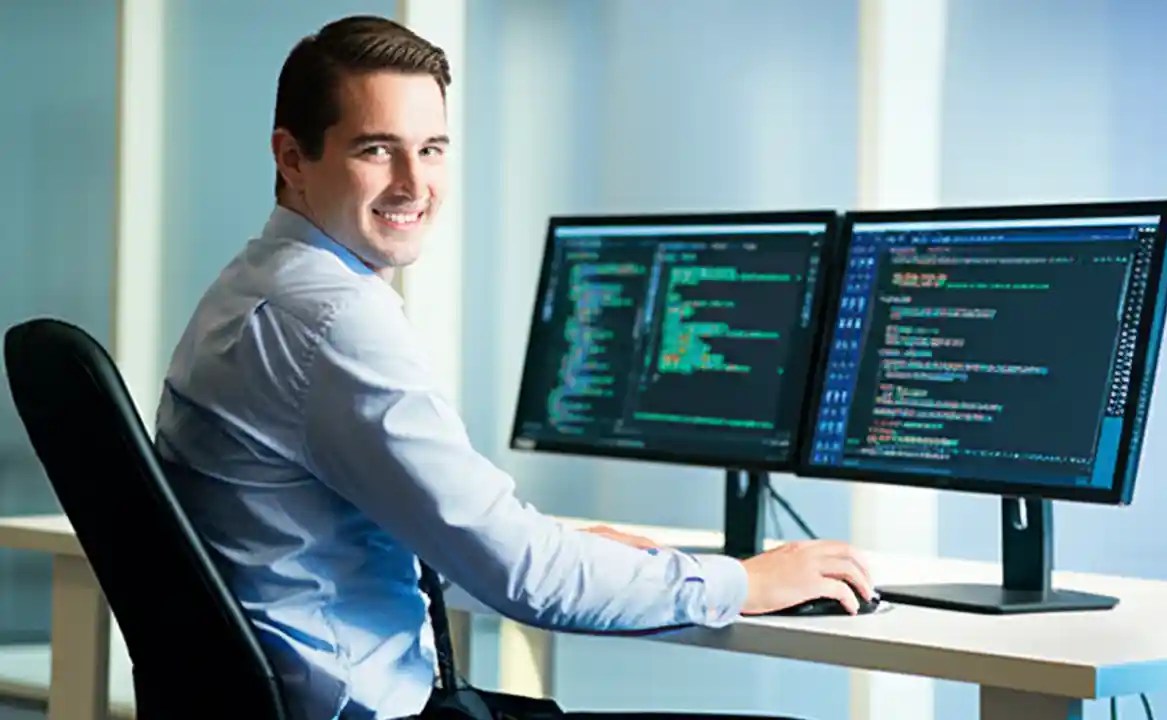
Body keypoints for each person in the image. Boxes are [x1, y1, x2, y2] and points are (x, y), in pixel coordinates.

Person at [154, 14, 874, 720]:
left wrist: (548, 548)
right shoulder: (333, 319)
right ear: (292, 158)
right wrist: (742, 580)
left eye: (432, 148)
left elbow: (467, 543)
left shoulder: (256, 284)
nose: (414, 183)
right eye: (377, 150)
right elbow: (526, 580)